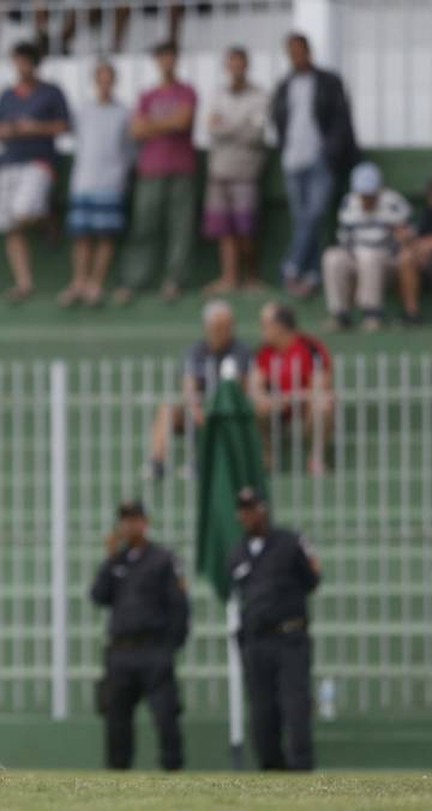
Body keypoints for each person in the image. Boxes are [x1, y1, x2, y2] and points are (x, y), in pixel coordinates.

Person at [90, 500, 189, 771]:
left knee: (165, 714)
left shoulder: (163, 559)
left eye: (134, 520)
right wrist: (109, 559)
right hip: (121, 651)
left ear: (145, 523)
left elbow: (179, 606)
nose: (129, 526)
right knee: (116, 718)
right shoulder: (117, 561)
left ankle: (173, 769)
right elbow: (99, 596)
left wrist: (171, 646)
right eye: (125, 520)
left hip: (153, 649)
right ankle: (117, 772)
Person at [229, 487, 320, 771]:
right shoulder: (237, 554)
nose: (248, 515)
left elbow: (312, 580)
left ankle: (301, 768)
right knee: (262, 712)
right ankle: (271, 770)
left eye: (252, 509)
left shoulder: (290, 543)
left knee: (295, 706)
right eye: (243, 510)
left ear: (263, 510)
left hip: (289, 637)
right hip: (257, 642)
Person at [271, 32, 360, 299]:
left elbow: (341, 120)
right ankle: (309, 274)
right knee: (303, 220)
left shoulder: (329, 82)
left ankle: (291, 265)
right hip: (292, 160)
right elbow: (278, 119)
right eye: (292, 51)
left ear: (308, 51)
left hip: (321, 159)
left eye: (300, 50)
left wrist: (331, 151)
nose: (297, 55)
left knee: (316, 213)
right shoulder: (284, 85)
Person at [115, 41, 197, 305]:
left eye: (171, 56)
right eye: (162, 57)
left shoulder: (187, 92)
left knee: (180, 228)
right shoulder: (147, 95)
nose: (167, 62)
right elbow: (136, 130)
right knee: (144, 226)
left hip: (182, 169)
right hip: (150, 169)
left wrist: (152, 125)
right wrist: (166, 125)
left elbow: (183, 122)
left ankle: (174, 280)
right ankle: (134, 281)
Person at [0, 41, 70, 302]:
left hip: (39, 160)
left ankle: (47, 218)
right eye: (17, 61)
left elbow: (64, 126)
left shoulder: (51, 92)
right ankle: (24, 282)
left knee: (24, 211)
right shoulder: (6, 95)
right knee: (8, 224)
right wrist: (8, 131)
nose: (21, 67)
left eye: (25, 61)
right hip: (9, 160)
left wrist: (34, 127)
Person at [147, 299, 253, 480]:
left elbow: (240, 388)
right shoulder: (196, 351)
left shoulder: (241, 351)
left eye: (228, 326)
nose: (224, 332)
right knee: (167, 409)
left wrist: (213, 408)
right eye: (218, 327)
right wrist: (196, 408)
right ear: (207, 327)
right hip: (199, 408)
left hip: (228, 409)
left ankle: (201, 462)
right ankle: (157, 463)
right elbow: (189, 386)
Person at [61, 60, 132, 308]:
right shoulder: (82, 111)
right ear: (95, 81)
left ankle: (96, 284)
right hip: (83, 181)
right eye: (100, 79)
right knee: (81, 236)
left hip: (111, 182)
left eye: (108, 79)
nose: (104, 84)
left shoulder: (124, 112)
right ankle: (79, 282)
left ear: (113, 81)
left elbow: (129, 148)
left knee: (105, 236)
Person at [203, 46, 269, 295]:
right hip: (219, 169)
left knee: (246, 229)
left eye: (240, 62)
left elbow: (256, 133)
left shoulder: (259, 95)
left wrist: (227, 127)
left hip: (247, 170)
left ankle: (251, 278)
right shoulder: (217, 94)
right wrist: (238, 126)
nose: (236, 68)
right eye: (232, 63)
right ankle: (229, 278)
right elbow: (212, 127)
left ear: (247, 65)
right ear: (227, 66)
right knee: (224, 229)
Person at [320, 161, 411, 332]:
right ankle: (340, 315)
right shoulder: (349, 203)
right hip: (357, 259)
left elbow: (402, 240)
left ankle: (372, 315)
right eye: (363, 194)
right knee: (332, 256)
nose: (367, 199)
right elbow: (345, 240)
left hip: (386, 262)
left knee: (369, 256)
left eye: (371, 194)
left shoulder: (394, 203)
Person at [249, 303, 334, 476]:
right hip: (277, 410)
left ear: (279, 327)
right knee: (258, 406)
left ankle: (316, 459)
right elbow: (254, 386)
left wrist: (287, 398)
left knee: (323, 404)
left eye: (265, 325)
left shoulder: (311, 348)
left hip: (305, 408)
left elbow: (319, 387)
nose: (262, 330)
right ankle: (268, 457)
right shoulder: (265, 352)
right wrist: (264, 398)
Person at [397, 179, 432, 325]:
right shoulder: (428, 213)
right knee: (406, 258)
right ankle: (412, 314)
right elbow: (420, 241)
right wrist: (410, 242)